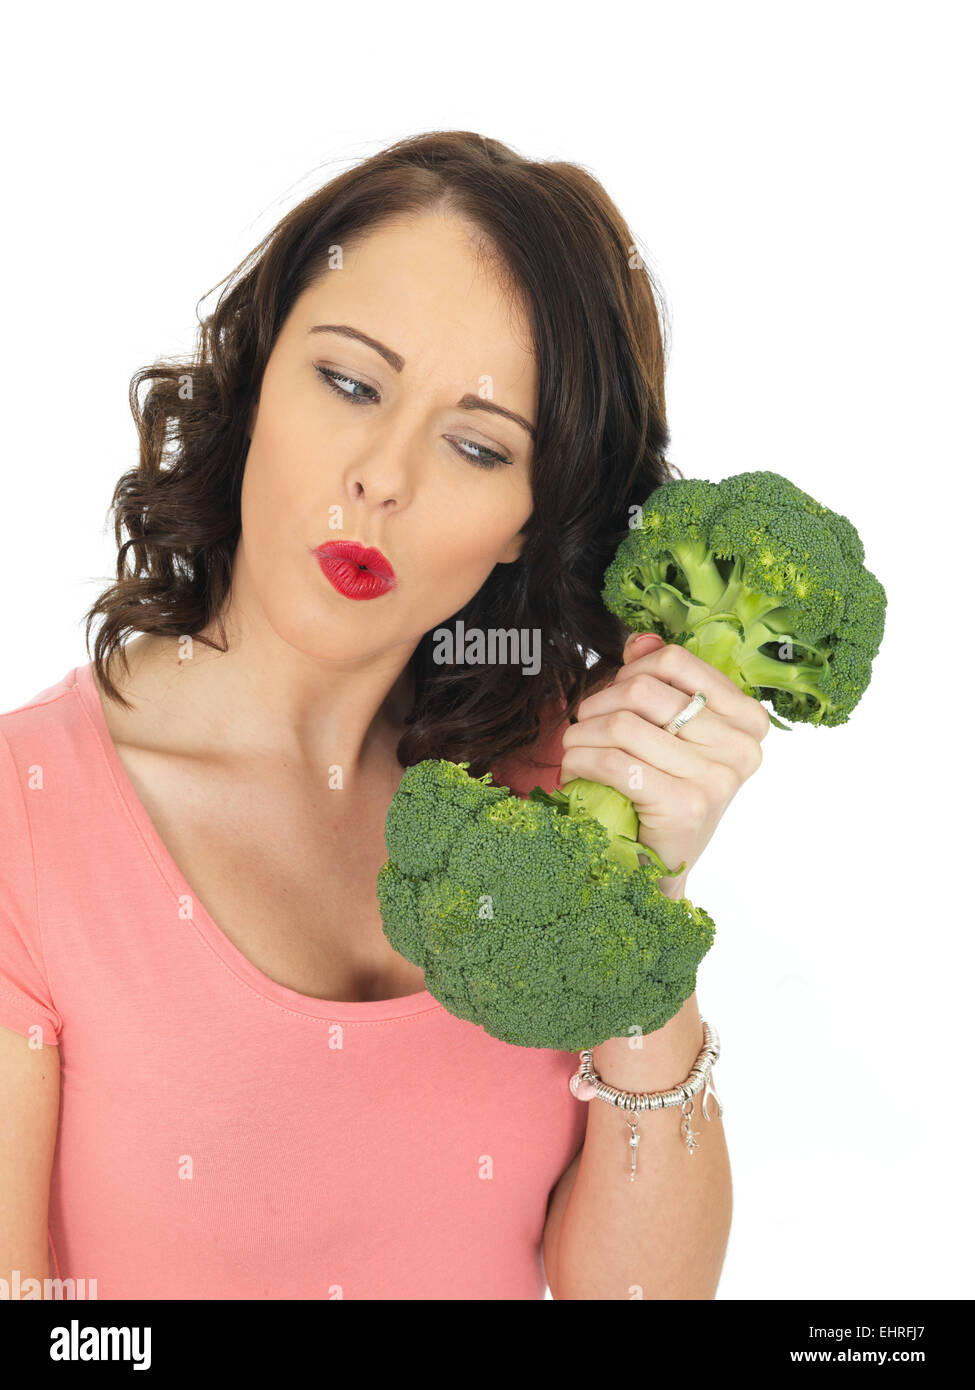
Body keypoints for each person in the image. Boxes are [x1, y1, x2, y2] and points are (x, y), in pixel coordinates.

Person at [0, 131, 751, 1301]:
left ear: (527, 518)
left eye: (475, 444)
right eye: (350, 382)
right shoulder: (24, 816)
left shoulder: (558, 793)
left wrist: (642, 906)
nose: (383, 476)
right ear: (253, 378)